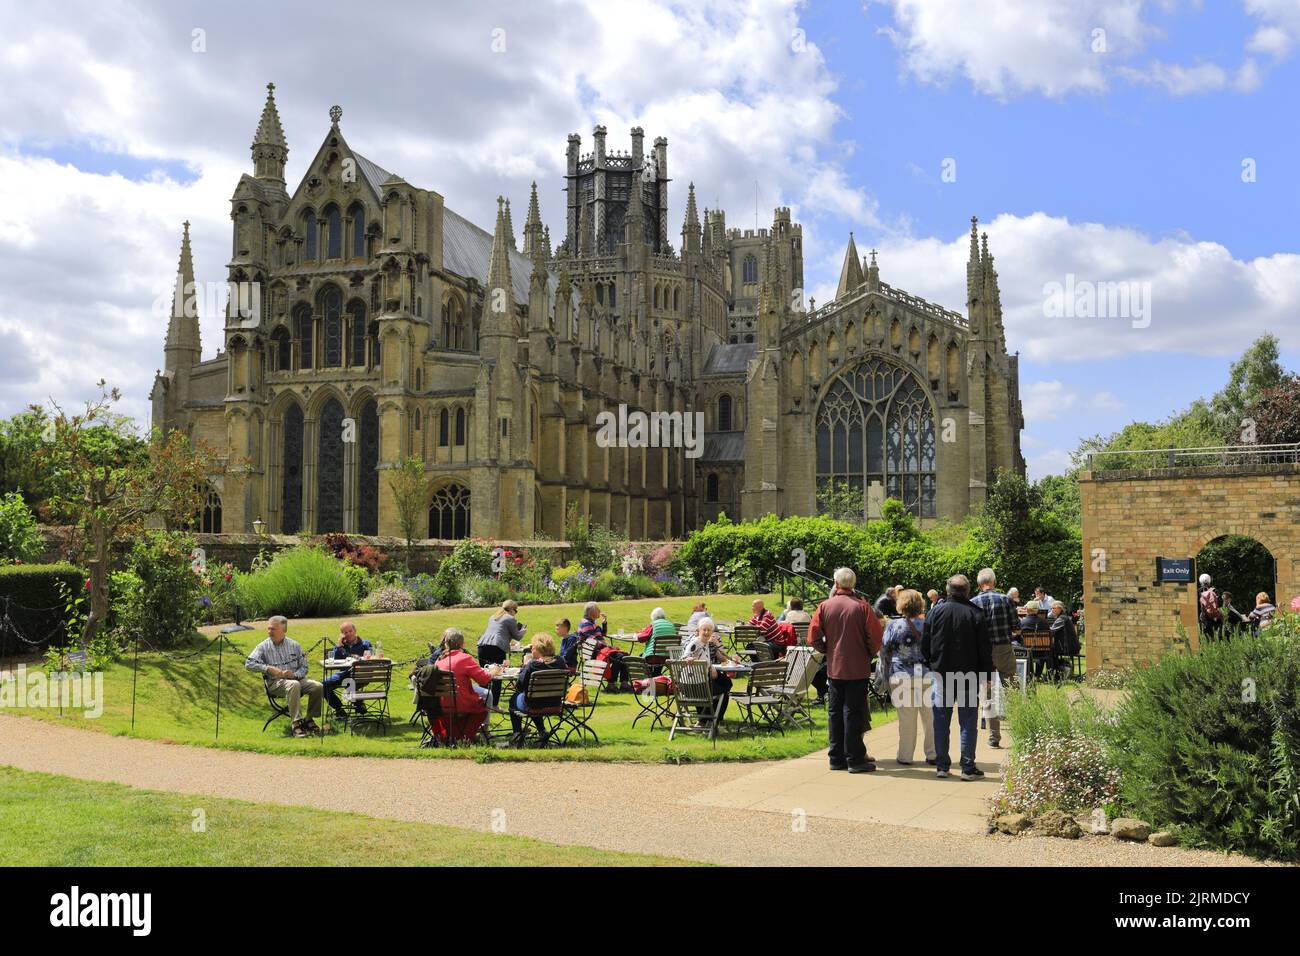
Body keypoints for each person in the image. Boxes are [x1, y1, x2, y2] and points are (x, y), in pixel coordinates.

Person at [811, 567, 883, 773]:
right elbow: (876, 638)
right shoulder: (863, 607)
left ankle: (836, 757)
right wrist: (867, 654)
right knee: (853, 712)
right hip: (858, 667)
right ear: (853, 584)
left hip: (835, 667)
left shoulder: (825, 606)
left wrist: (828, 650)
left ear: (835, 584)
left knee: (835, 712)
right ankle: (855, 758)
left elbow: (813, 636)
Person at [922, 574, 992, 781]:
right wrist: (986, 674)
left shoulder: (935, 613)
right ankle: (967, 766)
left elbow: (925, 646)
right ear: (968, 591)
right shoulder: (975, 613)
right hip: (968, 674)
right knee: (968, 721)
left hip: (942, 673)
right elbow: (984, 649)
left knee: (941, 720)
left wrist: (932, 664)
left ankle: (942, 765)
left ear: (948, 590)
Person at [880, 588, 936, 765]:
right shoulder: (929, 624)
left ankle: (905, 756)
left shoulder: (894, 626)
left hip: (901, 674)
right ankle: (933, 754)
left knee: (906, 719)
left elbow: (884, 650)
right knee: (930, 718)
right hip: (926, 675)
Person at [245, 616, 324, 738]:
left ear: (284, 630)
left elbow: (304, 667)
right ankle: (296, 724)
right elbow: (249, 664)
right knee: (294, 685)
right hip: (275, 683)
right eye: (269, 628)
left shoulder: (295, 645)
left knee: (318, 686)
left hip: (295, 679)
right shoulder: (262, 647)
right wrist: (268, 668)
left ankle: (309, 719)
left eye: (273, 629)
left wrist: (295, 674)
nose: (269, 632)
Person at [970, 568, 1018, 749]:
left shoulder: (972, 603)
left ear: (978, 584)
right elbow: (1016, 627)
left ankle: (993, 737)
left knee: (987, 696)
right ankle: (1020, 732)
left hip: (983, 654)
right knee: (1012, 691)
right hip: (1004, 649)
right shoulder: (1006, 600)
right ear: (995, 582)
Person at [435, 627, 499, 741]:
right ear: (462, 644)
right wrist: (494, 672)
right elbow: (483, 680)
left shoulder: (439, 660)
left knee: (482, 693)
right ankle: (484, 731)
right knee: (487, 695)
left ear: (446, 645)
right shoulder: (464, 658)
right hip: (462, 703)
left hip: (442, 704)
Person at [509, 633, 567, 745]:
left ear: (539, 648)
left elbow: (519, 686)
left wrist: (525, 665)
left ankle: (517, 734)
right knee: (534, 698)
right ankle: (542, 731)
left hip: (534, 705)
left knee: (514, 699)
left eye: (532, 647)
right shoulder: (560, 662)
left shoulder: (533, 665)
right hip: (555, 704)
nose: (531, 649)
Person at [681, 616, 737, 722]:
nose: (706, 632)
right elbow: (684, 658)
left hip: (691, 686)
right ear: (699, 630)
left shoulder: (705, 643)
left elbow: (708, 659)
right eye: (704, 629)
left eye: (709, 630)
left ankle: (704, 718)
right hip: (695, 687)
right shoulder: (695, 643)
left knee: (725, 682)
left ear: (712, 632)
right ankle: (714, 721)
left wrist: (710, 667)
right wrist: (688, 659)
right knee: (724, 691)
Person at [567, 603, 632, 692]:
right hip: (595, 653)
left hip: (601, 651)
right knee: (619, 657)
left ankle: (624, 683)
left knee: (623, 657)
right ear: (591, 612)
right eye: (597, 609)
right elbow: (594, 642)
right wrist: (610, 647)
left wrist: (604, 623)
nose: (599, 611)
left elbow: (603, 634)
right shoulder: (586, 624)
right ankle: (611, 684)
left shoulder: (591, 622)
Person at [322, 620, 372, 719]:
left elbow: (371, 657)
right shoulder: (341, 646)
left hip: (361, 675)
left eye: (350, 631)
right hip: (344, 674)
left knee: (349, 681)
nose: (348, 634)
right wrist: (339, 645)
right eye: (345, 632)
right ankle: (340, 709)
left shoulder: (365, 644)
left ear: (355, 631)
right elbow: (334, 660)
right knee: (322, 685)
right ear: (342, 634)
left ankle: (358, 703)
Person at [477, 600, 525, 667]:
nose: (515, 613)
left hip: (481, 646)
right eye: (516, 611)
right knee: (498, 673)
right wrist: (523, 630)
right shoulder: (510, 618)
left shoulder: (493, 617)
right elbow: (517, 637)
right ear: (512, 610)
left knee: (486, 673)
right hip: (497, 647)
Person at [1018, 600, 1053, 678]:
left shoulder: (1023, 622)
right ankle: (1037, 675)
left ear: (1027, 610)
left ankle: (1028, 675)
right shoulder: (1044, 622)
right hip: (1042, 651)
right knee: (1041, 654)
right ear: (1037, 610)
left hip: (1026, 651)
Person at [1048, 600, 1080, 679]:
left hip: (1069, 648)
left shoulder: (1062, 619)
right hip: (1071, 646)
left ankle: (1054, 675)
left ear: (1059, 609)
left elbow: (1051, 632)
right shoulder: (1063, 617)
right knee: (1050, 650)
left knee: (1048, 651)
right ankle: (1057, 672)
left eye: (1053, 608)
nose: (1051, 610)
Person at [1198, 573, 1223, 641]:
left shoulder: (1198, 592)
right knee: (1217, 637)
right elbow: (1220, 603)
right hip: (1216, 618)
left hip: (1204, 619)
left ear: (1200, 582)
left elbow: (1198, 607)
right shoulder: (1214, 590)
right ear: (1209, 581)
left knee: (1206, 638)